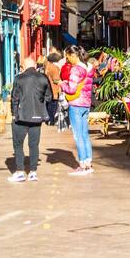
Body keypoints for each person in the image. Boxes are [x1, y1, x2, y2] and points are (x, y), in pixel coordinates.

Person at [8, 55, 52, 182]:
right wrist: (40, 105)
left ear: (24, 66)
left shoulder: (19, 79)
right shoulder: (43, 78)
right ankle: (33, 172)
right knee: (34, 144)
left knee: (18, 144)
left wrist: (14, 113)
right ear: (34, 65)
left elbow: (14, 98)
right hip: (37, 117)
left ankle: (20, 171)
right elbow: (49, 96)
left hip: (21, 117)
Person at [62, 44, 95, 175]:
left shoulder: (76, 70)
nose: (67, 59)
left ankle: (82, 165)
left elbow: (71, 89)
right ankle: (88, 163)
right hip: (86, 103)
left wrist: (62, 84)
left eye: (68, 56)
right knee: (85, 134)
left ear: (73, 55)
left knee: (78, 135)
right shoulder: (89, 67)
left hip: (76, 104)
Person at [43, 50, 63, 125]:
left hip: (47, 88)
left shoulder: (46, 65)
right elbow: (56, 79)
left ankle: (48, 119)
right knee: (53, 105)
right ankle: (51, 120)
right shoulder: (53, 67)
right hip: (54, 88)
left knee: (49, 104)